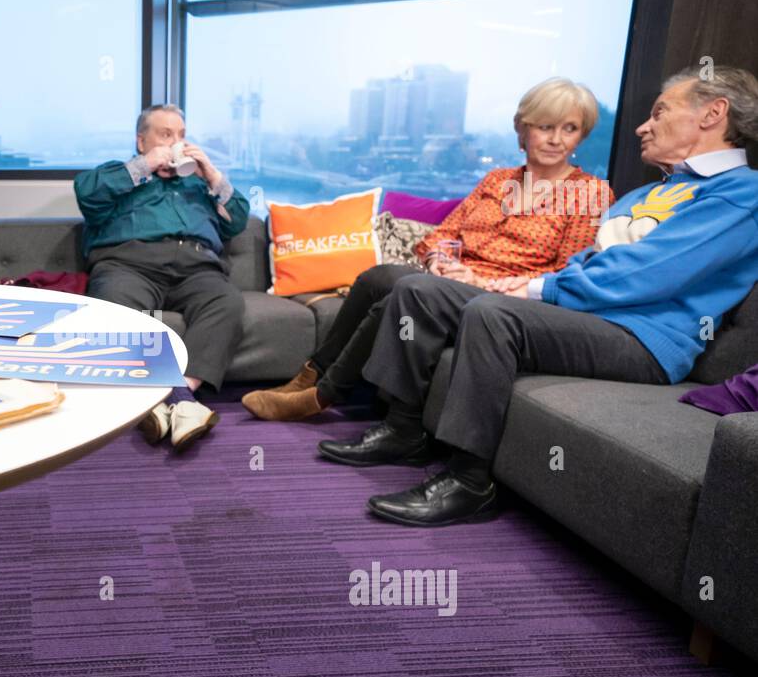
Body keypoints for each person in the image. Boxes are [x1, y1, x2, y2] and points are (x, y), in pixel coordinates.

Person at [316, 65, 758, 528]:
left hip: (644, 339)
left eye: (659, 112)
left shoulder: (740, 193)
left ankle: (469, 483)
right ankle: (402, 429)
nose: (642, 126)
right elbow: (587, 262)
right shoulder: (649, 192)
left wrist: (533, 287)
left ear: (713, 114)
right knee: (417, 289)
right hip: (590, 317)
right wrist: (529, 284)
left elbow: (646, 275)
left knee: (493, 314)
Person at [242, 78, 612, 422]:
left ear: (582, 136)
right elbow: (441, 235)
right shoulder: (497, 181)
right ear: (524, 129)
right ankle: (310, 375)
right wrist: (440, 260)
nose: (556, 140)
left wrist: (480, 279)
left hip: (504, 302)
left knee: (398, 296)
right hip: (452, 283)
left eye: (570, 129)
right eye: (546, 127)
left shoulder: (589, 194)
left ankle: (321, 396)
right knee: (379, 278)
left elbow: (565, 275)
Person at [74, 104, 250, 451]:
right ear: (142, 141)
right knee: (113, 305)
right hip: (129, 262)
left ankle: (176, 397)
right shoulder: (120, 174)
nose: (176, 142)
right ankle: (175, 400)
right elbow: (86, 193)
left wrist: (212, 175)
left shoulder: (198, 186)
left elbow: (238, 220)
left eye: (181, 135)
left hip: (197, 265)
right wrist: (145, 165)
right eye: (166, 134)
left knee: (227, 301)